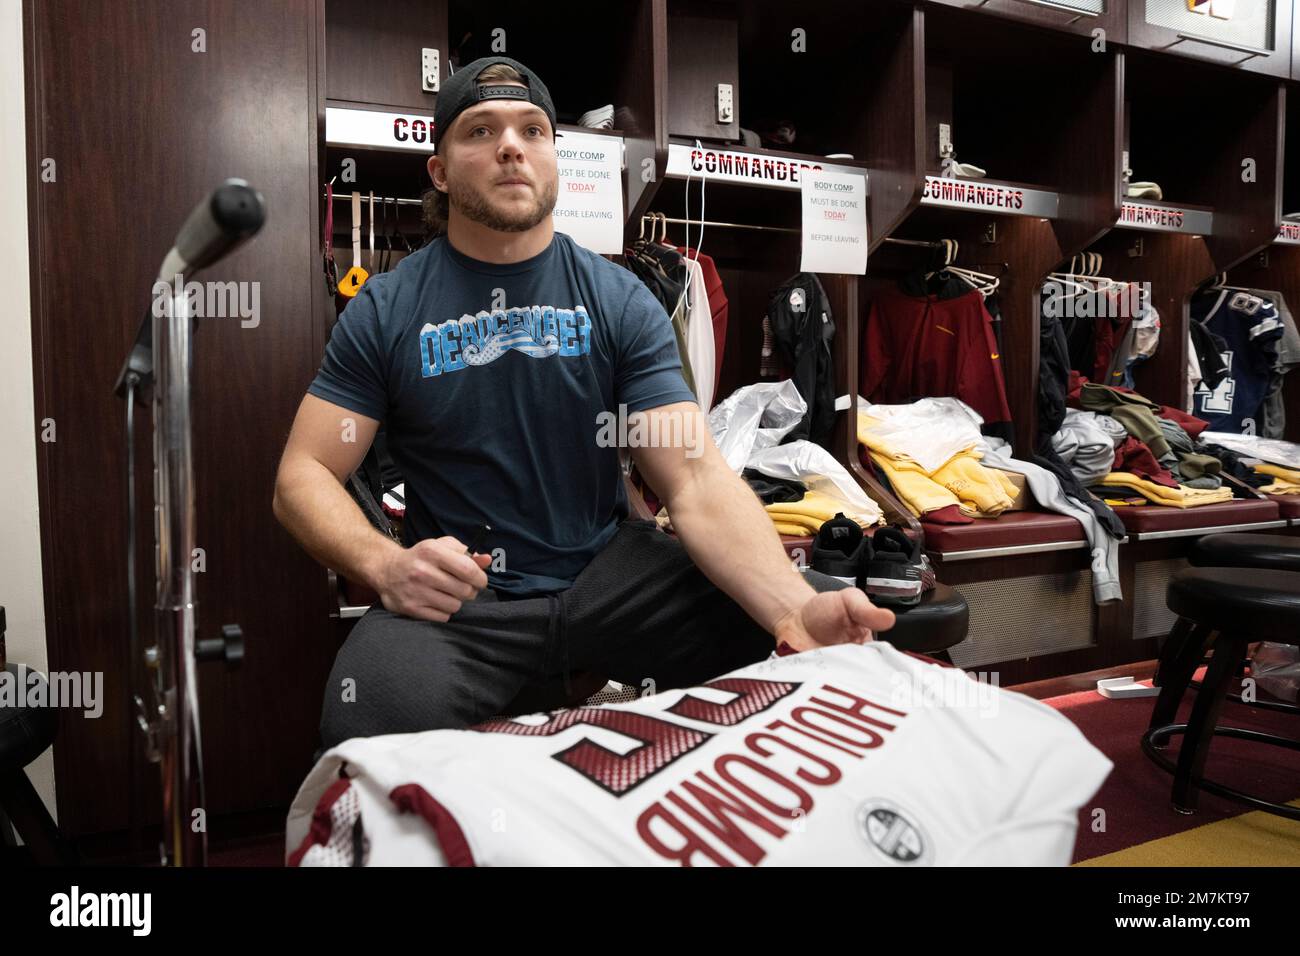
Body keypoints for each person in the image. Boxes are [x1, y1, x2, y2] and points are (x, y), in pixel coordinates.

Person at [272, 56, 894, 749]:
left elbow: (692, 478)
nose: (512, 145)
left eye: (533, 130)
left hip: (607, 576)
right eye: (480, 131)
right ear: (440, 173)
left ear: (554, 160)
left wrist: (796, 608)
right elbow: (302, 476)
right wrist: (385, 564)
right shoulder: (386, 308)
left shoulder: (619, 297)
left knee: (787, 651)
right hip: (465, 603)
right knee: (361, 726)